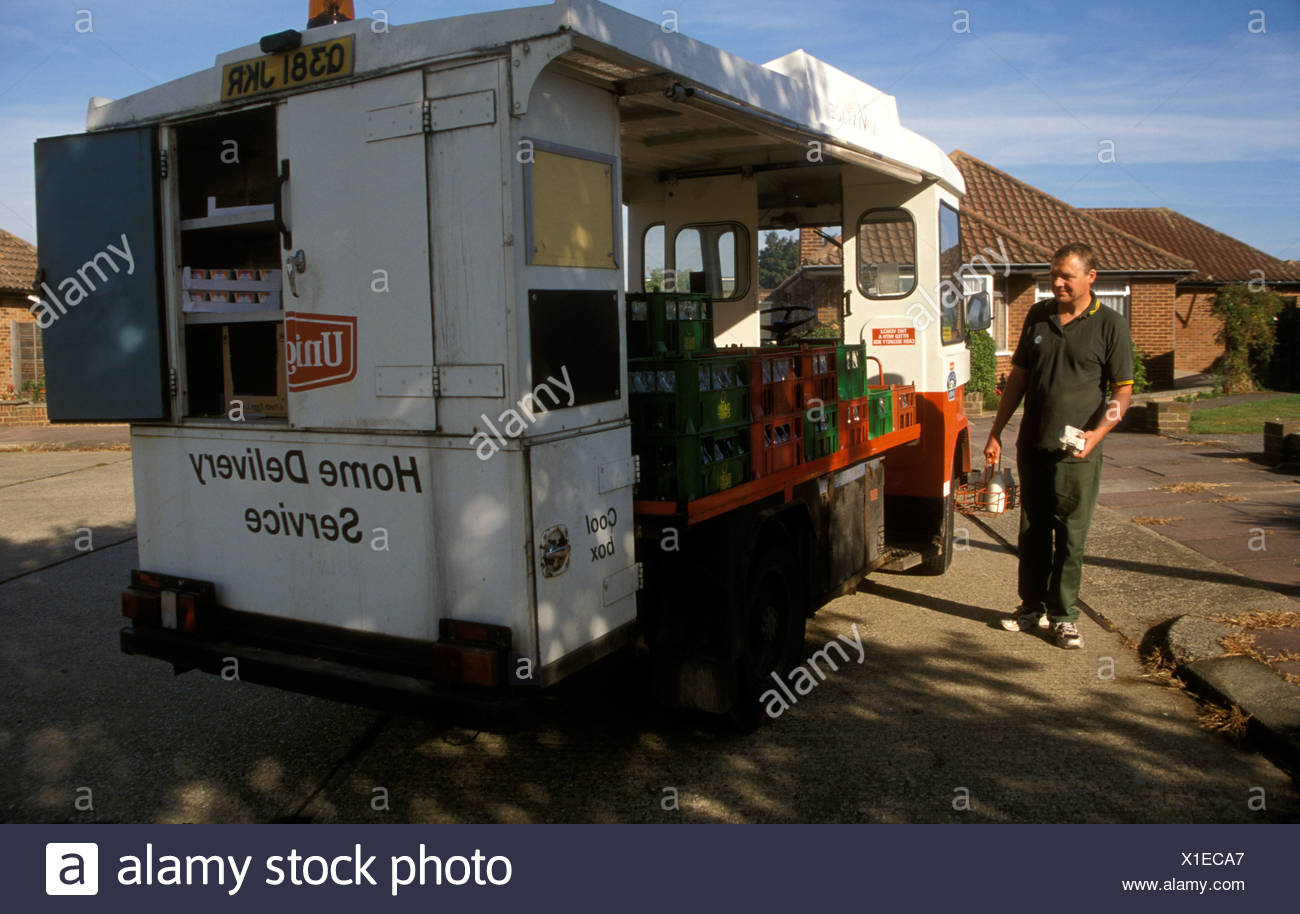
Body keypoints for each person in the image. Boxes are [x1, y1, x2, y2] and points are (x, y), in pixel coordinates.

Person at [984, 243, 1134, 649]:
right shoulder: (1038, 315)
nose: (1058, 283)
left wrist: (1097, 435)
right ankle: (1030, 607)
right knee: (1032, 529)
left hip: (1077, 452)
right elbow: (1018, 378)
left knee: (1070, 535)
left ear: (1091, 276)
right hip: (1033, 442)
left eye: (1067, 275)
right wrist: (997, 430)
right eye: (1053, 275)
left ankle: (1064, 616)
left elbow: (1122, 391)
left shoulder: (1111, 326)